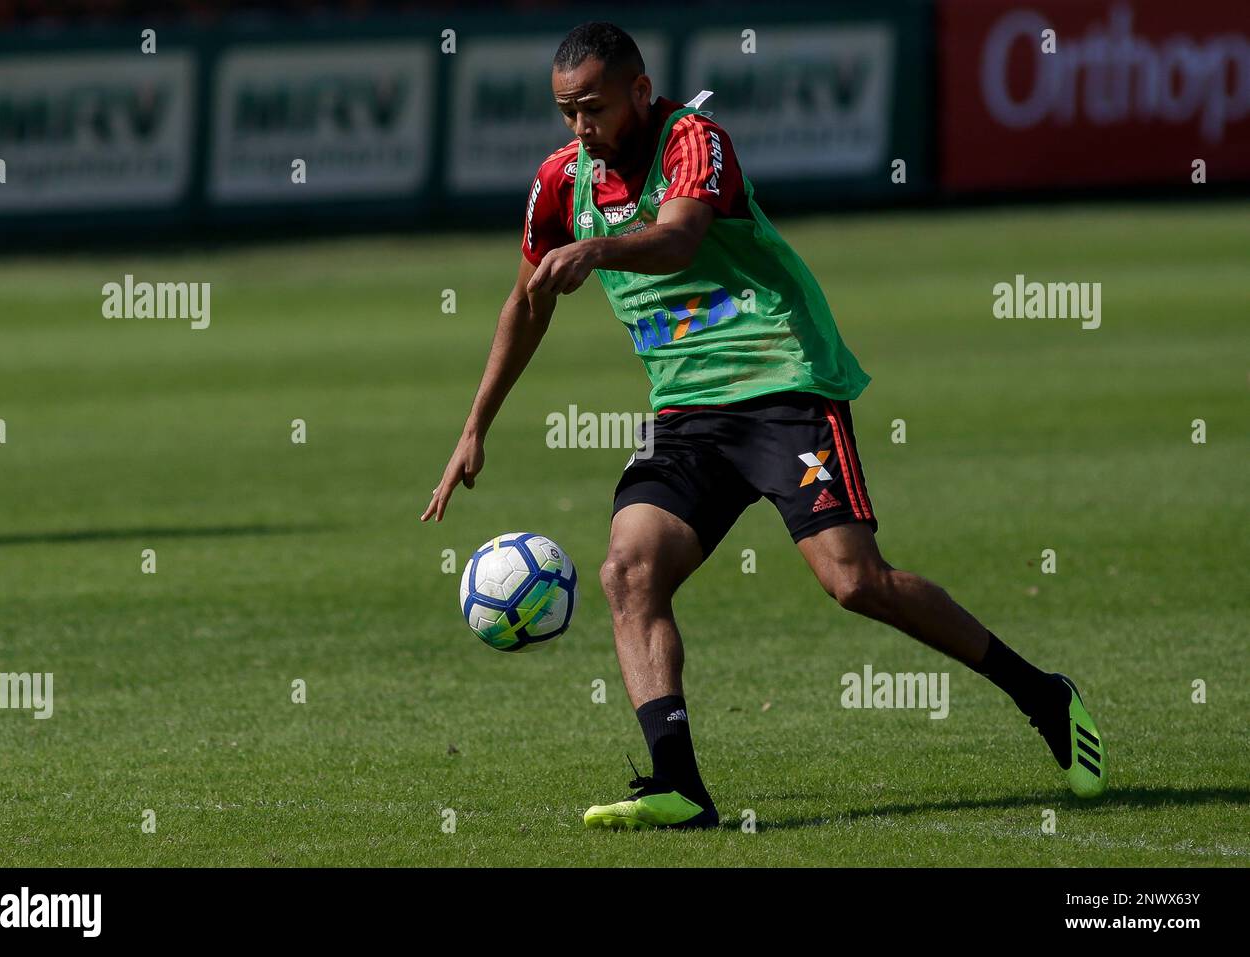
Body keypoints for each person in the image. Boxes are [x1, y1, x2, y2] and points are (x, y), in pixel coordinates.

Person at [421, 21, 1106, 830]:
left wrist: (598, 253)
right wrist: (475, 426)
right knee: (628, 571)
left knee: (855, 582)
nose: (581, 128)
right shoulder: (559, 181)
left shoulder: (695, 141)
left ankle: (1041, 693)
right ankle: (677, 786)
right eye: (567, 112)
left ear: (640, 92)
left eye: (594, 108)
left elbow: (680, 239)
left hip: (785, 384)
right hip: (685, 410)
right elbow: (524, 303)